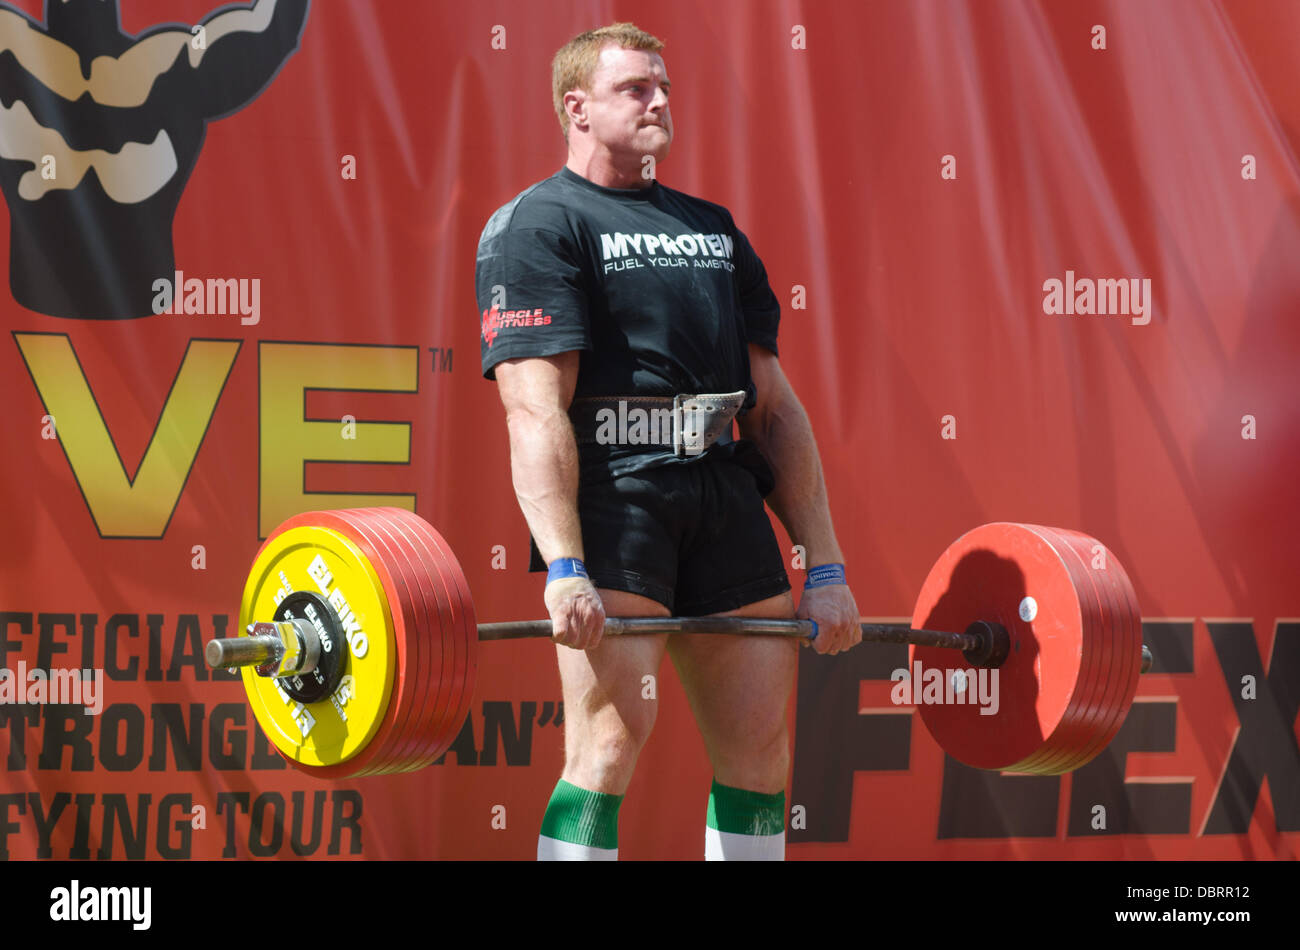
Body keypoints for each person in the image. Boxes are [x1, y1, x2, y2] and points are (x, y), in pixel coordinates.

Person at [475, 22, 861, 861]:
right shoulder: (537, 225)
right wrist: (566, 568)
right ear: (576, 107)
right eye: (634, 89)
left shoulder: (713, 229)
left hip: (722, 497)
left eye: (664, 87)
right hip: (619, 500)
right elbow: (534, 410)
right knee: (609, 748)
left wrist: (824, 567)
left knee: (761, 757)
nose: (657, 101)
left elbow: (776, 412)